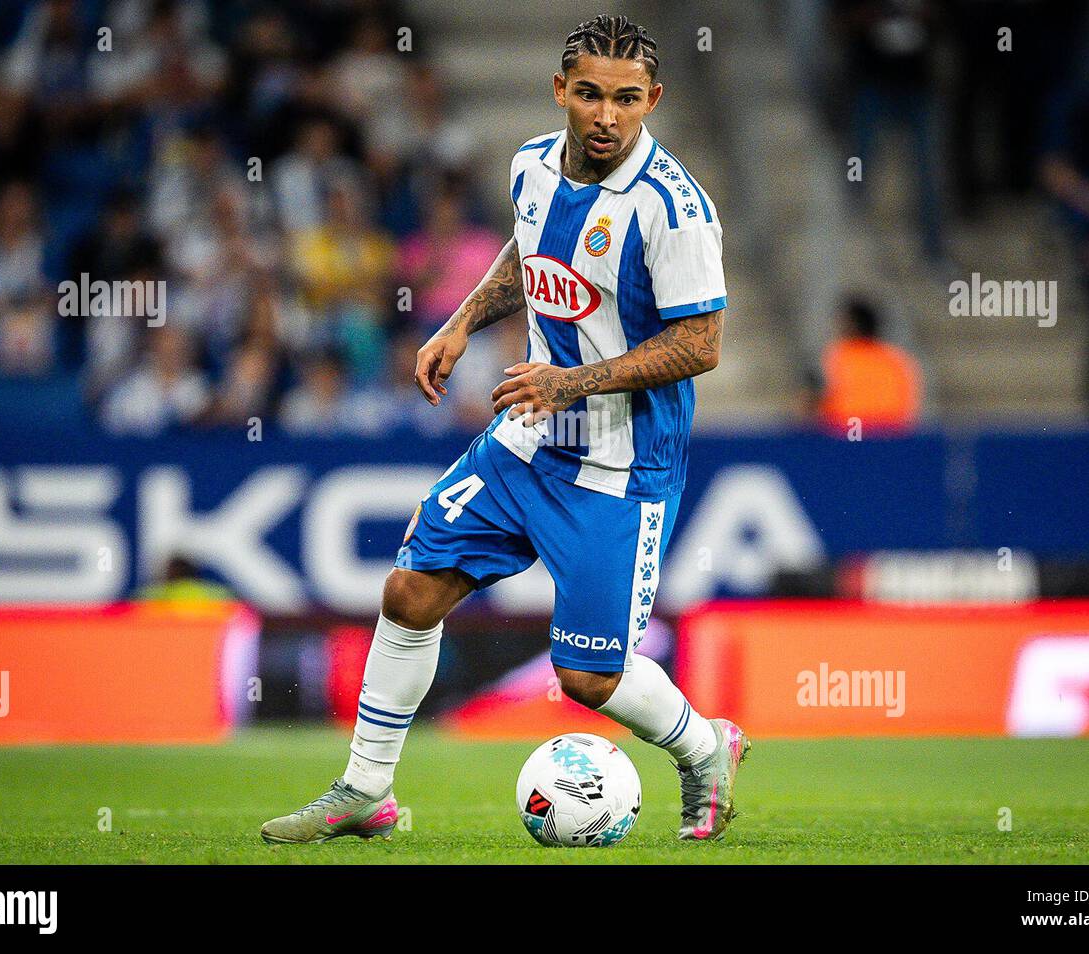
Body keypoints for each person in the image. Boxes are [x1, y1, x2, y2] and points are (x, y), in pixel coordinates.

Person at [261, 15, 749, 845]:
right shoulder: (529, 166)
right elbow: (526, 256)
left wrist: (572, 382)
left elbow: (700, 345)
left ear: (653, 101)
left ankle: (707, 748)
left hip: (618, 467)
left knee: (588, 677)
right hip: (526, 443)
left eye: (627, 99)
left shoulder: (674, 209)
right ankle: (365, 790)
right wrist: (459, 323)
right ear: (562, 90)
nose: (606, 115)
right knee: (410, 591)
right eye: (590, 94)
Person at [815, 297, 923, 431]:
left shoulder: (842, 355)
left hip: (847, 436)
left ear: (852, 325)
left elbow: (827, 404)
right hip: (891, 437)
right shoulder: (898, 359)